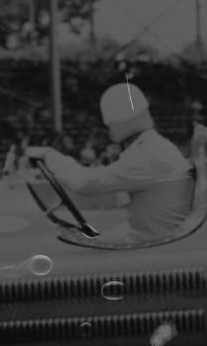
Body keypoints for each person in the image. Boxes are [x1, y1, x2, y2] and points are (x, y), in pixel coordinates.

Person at [25, 83, 194, 245]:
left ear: (121, 123)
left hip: (156, 243)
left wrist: (49, 155)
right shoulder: (154, 146)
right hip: (158, 235)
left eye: (110, 125)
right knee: (97, 241)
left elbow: (86, 183)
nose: (108, 129)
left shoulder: (147, 155)